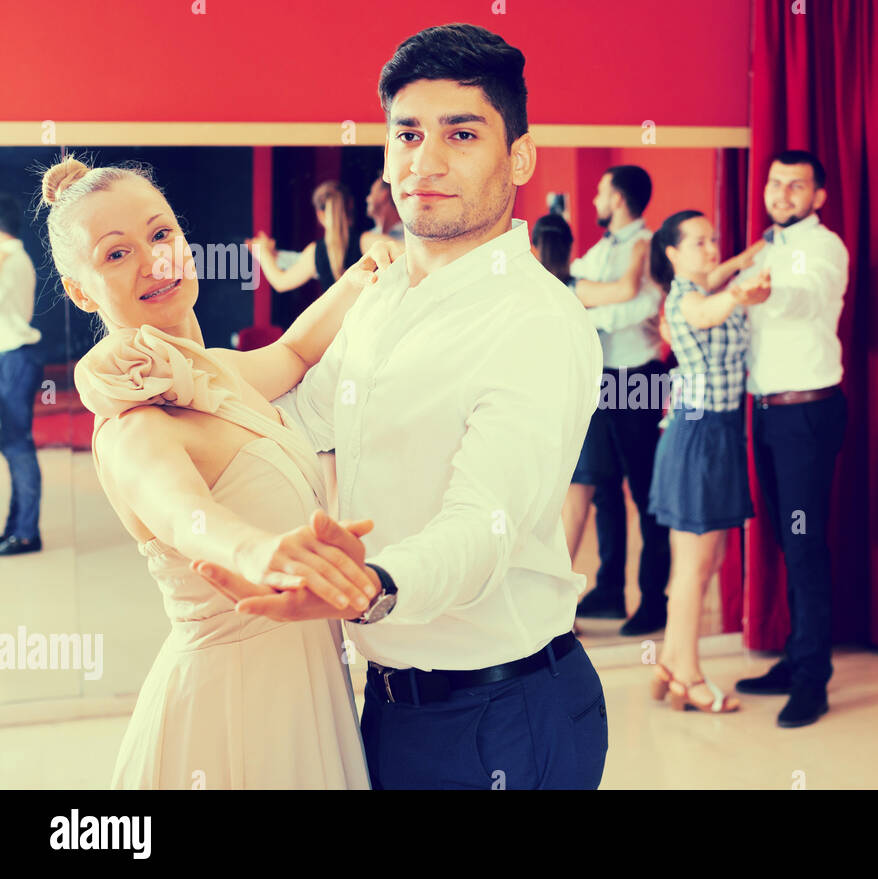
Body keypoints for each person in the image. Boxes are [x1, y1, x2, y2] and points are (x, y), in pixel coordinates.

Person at [195, 23, 609, 790]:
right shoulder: (382, 295)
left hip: (501, 710)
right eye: (408, 134)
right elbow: (295, 414)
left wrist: (372, 582)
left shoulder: (536, 320)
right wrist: (163, 388)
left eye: (461, 133)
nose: (426, 160)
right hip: (388, 703)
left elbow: (482, 526)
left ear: (518, 156)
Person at [49, 154, 393, 788]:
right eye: (116, 254)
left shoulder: (211, 371)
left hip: (305, 688)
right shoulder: (133, 426)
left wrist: (360, 278)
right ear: (78, 290)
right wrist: (259, 552)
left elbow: (291, 352)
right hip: (233, 711)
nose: (154, 262)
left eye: (161, 234)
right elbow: (186, 515)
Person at [731, 151, 850, 729]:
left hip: (807, 414)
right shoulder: (767, 245)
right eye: (775, 182)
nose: (781, 192)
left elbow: (806, 296)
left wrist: (767, 292)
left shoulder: (823, 247)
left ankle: (811, 682)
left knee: (804, 548)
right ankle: (794, 655)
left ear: (817, 196)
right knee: (785, 542)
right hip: (768, 414)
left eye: (795, 185)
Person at [646, 209, 770, 713]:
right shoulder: (685, 300)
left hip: (714, 435)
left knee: (701, 563)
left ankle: (672, 664)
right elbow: (707, 311)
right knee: (696, 568)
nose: (710, 248)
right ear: (673, 253)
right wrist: (743, 290)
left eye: (712, 238)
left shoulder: (705, 281)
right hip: (698, 438)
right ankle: (689, 677)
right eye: (697, 242)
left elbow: (720, 275)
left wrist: (750, 254)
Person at [563, 166, 671, 637]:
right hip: (604, 378)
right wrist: (595, 302)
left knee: (647, 493)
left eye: (602, 190)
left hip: (640, 378)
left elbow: (644, 306)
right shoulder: (604, 249)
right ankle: (609, 590)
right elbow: (571, 288)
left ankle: (653, 600)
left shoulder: (649, 246)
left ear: (620, 198)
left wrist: (594, 307)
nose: (594, 199)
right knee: (605, 487)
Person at [247, 180, 364, 326]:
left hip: (337, 331)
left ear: (320, 215)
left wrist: (262, 251)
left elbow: (280, 282)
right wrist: (273, 254)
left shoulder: (316, 252)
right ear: (350, 205)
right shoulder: (369, 242)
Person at [0, 193, 43, 556]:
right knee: (12, 445)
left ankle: (26, 532)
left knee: (17, 445)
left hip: (14, 357)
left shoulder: (11, 261)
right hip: (10, 357)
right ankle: (16, 527)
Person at [359, 175, 406, 252]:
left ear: (384, 194)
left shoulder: (410, 236)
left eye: (371, 192)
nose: (367, 198)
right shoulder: (368, 236)